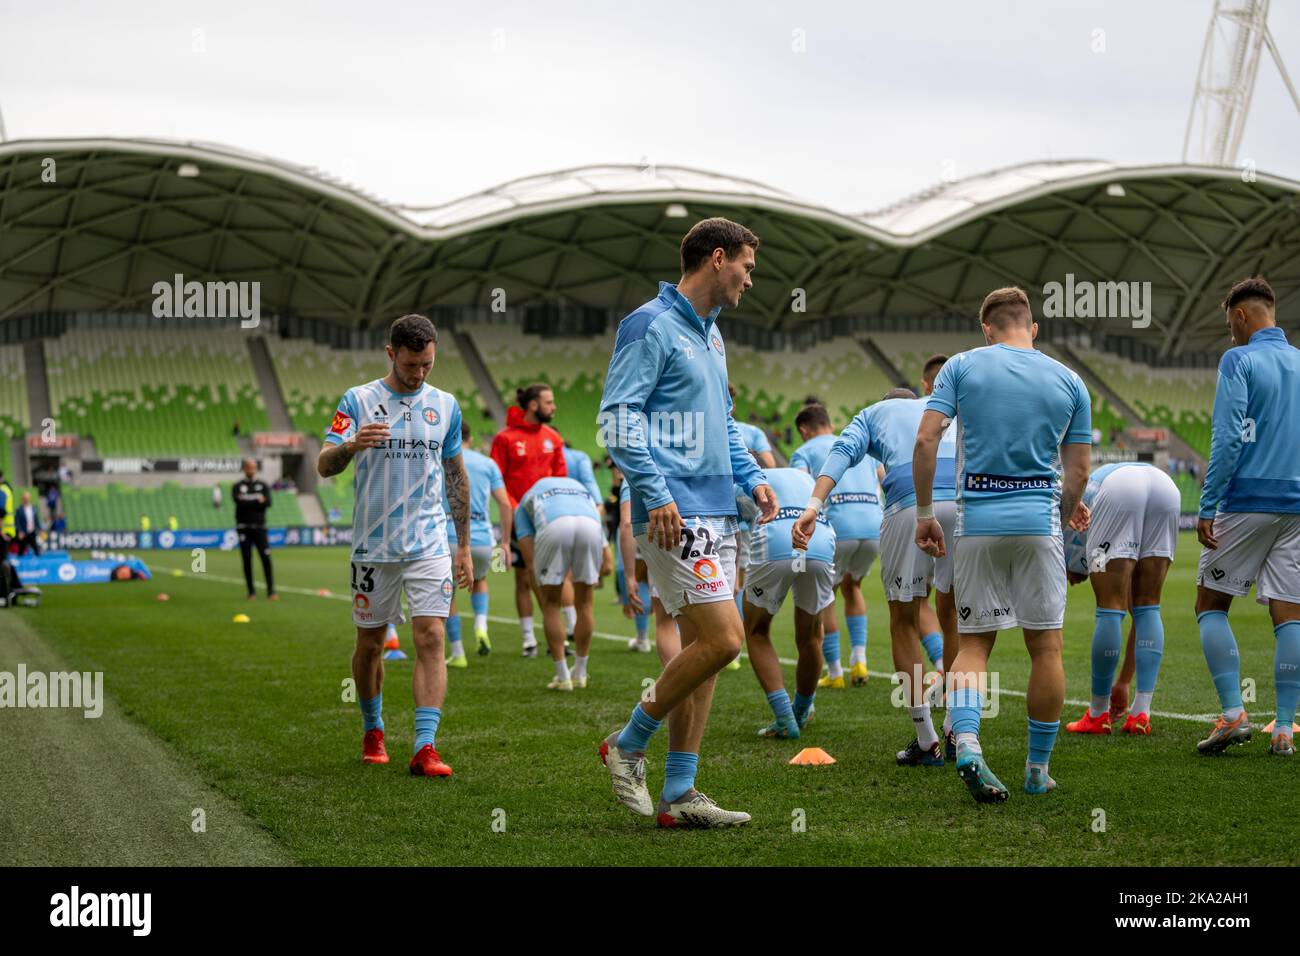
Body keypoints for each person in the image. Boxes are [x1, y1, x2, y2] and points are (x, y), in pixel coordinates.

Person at [597, 216, 776, 828]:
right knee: (726, 639)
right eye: (748, 268)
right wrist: (657, 493)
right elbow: (619, 418)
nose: (750, 281)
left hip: (718, 508)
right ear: (718, 258)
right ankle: (626, 742)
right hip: (673, 512)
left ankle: (680, 793)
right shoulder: (648, 324)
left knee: (709, 649)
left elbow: (724, 424)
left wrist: (752, 478)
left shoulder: (713, 335)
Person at [911, 286, 1091, 801]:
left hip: (978, 520)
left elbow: (926, 441)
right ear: (1032, 328)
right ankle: (1037, 769)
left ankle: (966, 742)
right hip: (1039, 522)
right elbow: (1077, 472)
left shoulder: (962, 367)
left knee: (973, 645)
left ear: (986, 328)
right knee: (1046, 646)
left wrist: (926, 513)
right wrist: (1054, 516)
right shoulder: (1070, 379)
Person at [317, 313, 474, 779]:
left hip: (428, 543)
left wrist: (462, 544)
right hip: (373, 546)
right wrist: (351, 447)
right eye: (411, 365)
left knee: (431, 637)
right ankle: (373, 728)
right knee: (369, 645)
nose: (420, 374)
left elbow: (455, 476)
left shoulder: (445, 405)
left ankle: (426, 747)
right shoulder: (358, 400)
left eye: (427, 364)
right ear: (391, 354)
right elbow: (324, 466)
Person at [794, 385, 957, 767]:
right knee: (955, 619)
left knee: (904, 620)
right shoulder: (942, 407)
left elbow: (840, 454)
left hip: (909, 503)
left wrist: (814, 505)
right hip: (965, 504)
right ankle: (958, 730)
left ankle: (926, 737)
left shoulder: (871, 413)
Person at [1193, 276, 1300, 757]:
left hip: (1247, 500)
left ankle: (1234, 713)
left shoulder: (1239, 359)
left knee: (1210, 605)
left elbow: (1229, 438)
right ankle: (1284, 727)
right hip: (1297, 507)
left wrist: (1207, 503)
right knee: (1290, 616)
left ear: (1240, 316)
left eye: (1229, 323)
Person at [1063, 462, 1179, 736]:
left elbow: (1069, 547)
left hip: (1118, 489)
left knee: (1109, 607)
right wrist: (1123, 681)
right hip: (1165, 487)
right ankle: (1141, 713)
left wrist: (1075, 567)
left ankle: (1097, 713)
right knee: (1148, 606)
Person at [788, 402, 881, 689]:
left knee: (826, 595)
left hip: (839, 526)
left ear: (804, 431)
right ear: (828, 422)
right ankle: (860, 660)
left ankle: (836, 671)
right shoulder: (859, 446)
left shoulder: (804, 452)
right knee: (853, 587)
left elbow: (801, 489)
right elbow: (884, 480)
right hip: (873, 525)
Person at [743, 467, 836, 739]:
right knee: (811, 638)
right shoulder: (800, 473)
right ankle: (802, 710)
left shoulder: (745, 477)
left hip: (777, 539)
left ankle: (785, 718)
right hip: (817, 538)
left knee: (756, 631)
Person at [490, 383, 567, 657]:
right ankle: (528, 639)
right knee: (524, 578)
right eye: (549, 402)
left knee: (554, 576)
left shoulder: (553, 438)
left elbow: (560, 478)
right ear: (533, 405)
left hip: (548, 519)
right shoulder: (505, 438)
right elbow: (496, 480)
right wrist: (516, 509)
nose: (554, 406)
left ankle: (557, 634)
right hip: (519, 519)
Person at [514, 475, 604, 690]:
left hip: (555, 525)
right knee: (585, 604)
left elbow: (530, 564)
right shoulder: (579, 486)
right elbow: (598, 518)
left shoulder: (524, 503)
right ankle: (580, 673)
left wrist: (544, 594)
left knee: (551, 605)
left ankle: (563, 676)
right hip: (592, 525)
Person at [442, 421, 512, 664]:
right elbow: (504, 503)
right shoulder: (488, 463)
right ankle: (481, 627)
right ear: (470, 438)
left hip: (447, 535)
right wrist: (505, 543)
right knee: (480, 580)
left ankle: (458, 652)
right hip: (482, 539)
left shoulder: (441, 459)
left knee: (447, 593)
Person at [234, 458, 277, 600]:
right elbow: (239, 503)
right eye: (248, 467)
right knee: (247, 560)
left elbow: (268, 503)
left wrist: (247, 500)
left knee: (266, 558)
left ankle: (271, 591)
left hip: (260, 528)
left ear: (256, 468)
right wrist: (257, 501)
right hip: (243, 528)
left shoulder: (263, 485)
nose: (250, 469)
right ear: (244, 469)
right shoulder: (237, 486)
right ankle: (251, 592)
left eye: (253, 467)